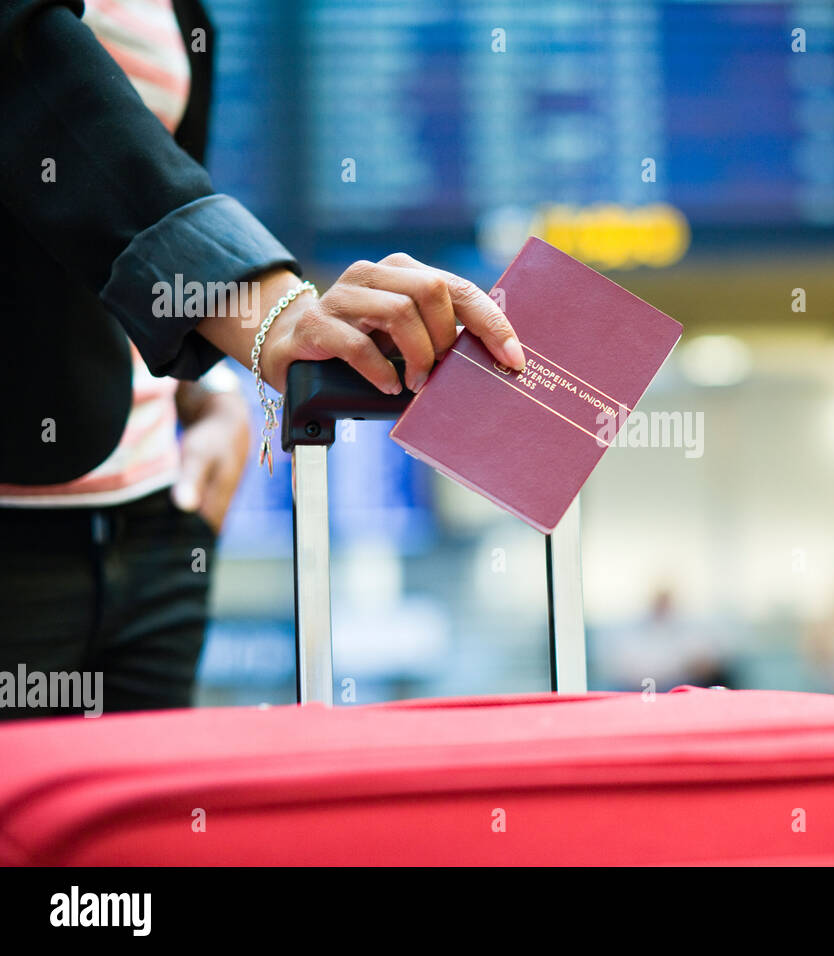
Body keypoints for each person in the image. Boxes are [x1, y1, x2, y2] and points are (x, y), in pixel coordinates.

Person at [0, 0, 526, 717]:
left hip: (160, 515)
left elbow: (102, 238)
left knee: (142, 829)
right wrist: (271, 311)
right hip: (17, 528)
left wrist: (205, 398)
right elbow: (34, 84)